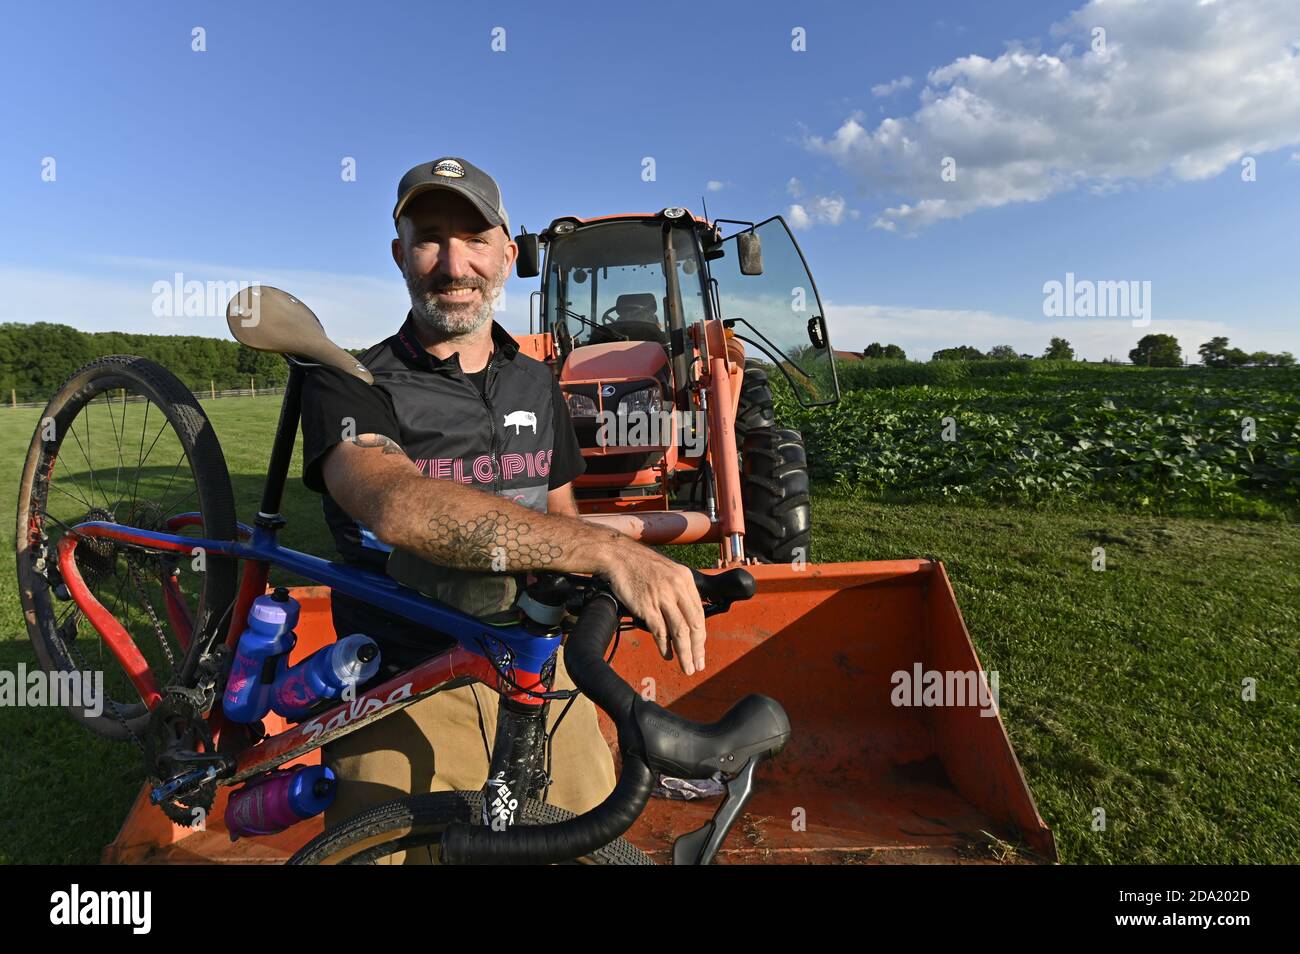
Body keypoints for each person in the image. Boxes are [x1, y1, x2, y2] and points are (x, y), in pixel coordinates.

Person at [297, 156, 707, 858]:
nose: (453, 264)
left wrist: (595, 571)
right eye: (429, 238)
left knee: (586, 840)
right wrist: (607, 552)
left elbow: (560, 517)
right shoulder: (351, 381)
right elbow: (396, 505)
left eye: (476, 239)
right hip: (406, 680)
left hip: (535, 671)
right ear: (399, 254)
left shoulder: (535, 381)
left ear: (507, 254)